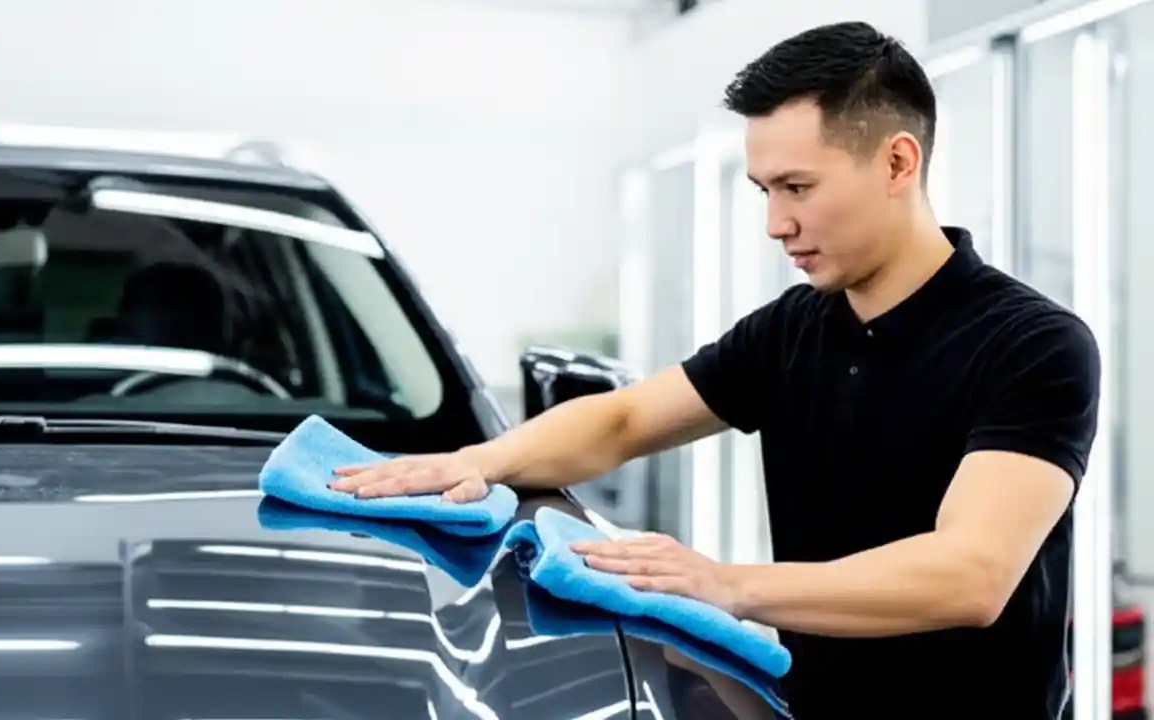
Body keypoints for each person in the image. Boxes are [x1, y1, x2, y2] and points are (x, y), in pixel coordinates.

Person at [330, 20, 1101, 719]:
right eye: (765, 191)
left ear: (898, 161)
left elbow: (970, 574)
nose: (777, 224)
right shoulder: (794, 329)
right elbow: (622, 420)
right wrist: (470, 462)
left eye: (798, 187)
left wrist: (723, 583)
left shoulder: (1031, 345)